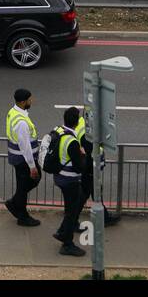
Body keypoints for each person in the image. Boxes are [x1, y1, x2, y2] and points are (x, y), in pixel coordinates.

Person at [50, 108, 87, 257]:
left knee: (70, 208)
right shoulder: (72, 141)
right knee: (73, 211)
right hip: (69, 179)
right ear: (77, 122)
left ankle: (62, 232)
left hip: (59, 176)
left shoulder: (58, 131)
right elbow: (79, 166)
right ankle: (67, 244)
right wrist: (83, 155)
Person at [4, 88, 41, 226]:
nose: (32, 101)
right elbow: (25, 146)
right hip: (23, 160)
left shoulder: (13, 112)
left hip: (17, 158)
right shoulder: (21, 122)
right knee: (27, 184)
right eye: (30, 99)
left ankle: (16, 204)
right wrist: (32, 166)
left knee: (23, 186)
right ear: (23, 102)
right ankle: (21, 214)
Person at [78, 113, 119, 225]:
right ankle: (71, 221)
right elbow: (91, 153)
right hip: (91, 170)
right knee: (91, 193)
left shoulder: (83, 124)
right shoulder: (87, 133)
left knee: (90, 193)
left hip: (90, 169)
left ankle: (104, 217)